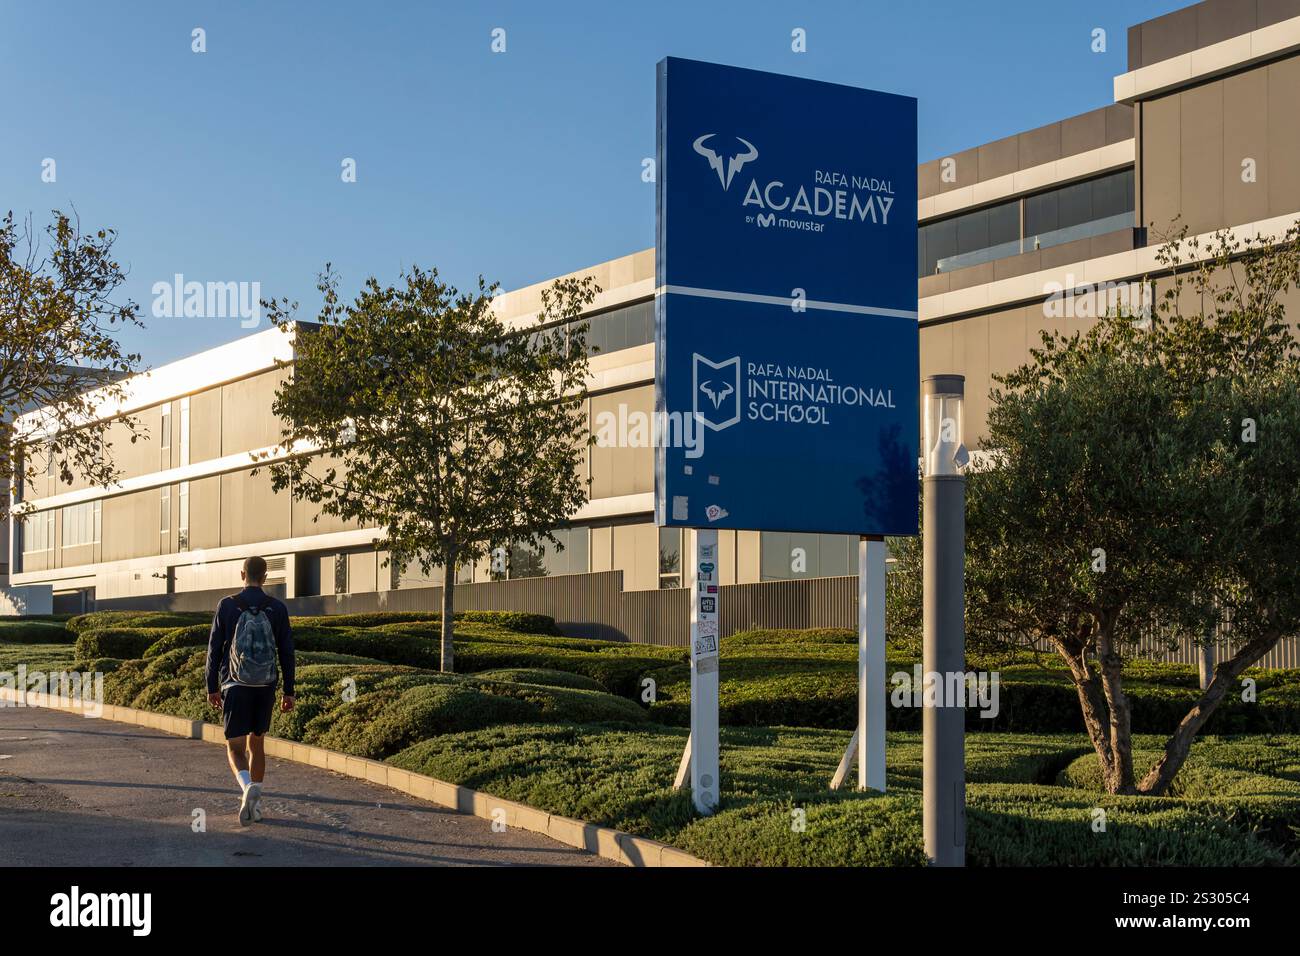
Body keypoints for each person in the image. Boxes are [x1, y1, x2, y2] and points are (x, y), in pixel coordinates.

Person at [205, 555, 295, 826]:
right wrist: (288, 691)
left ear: (242, 574)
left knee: (235, 748)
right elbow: (287, 651)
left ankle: (247, 788)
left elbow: (214, 649)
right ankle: (256, 806)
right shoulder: (277, 608)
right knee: (257, 745)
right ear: (265, 577)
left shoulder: (227, 605)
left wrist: (212, 687)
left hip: (234, 684)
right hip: (265, 685)